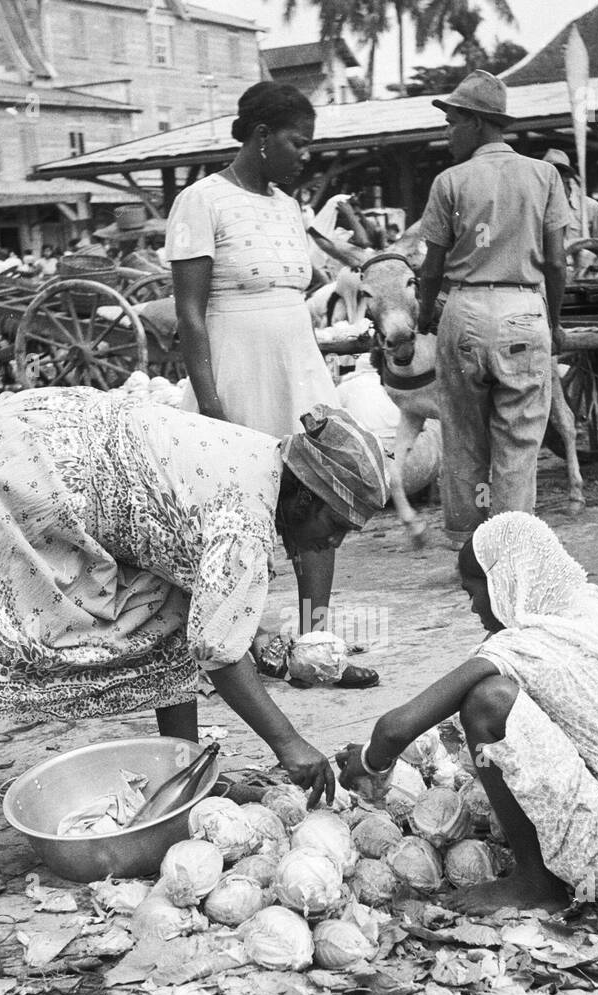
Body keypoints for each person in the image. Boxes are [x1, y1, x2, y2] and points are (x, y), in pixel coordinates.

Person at [0, 392, 389, 896]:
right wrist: (289, 744)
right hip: (22, 468)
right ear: (305, 497)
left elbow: (217, 610)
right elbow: (220, 654)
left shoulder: (270, 461)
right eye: (336, 526)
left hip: (69, 446)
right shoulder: (242, 521)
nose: (336, 542)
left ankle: (187, 778)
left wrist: (289, 637)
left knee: (170, 616)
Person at [337, 512, 598, 915]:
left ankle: (536, 883)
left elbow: (394, 729)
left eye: (473, 592)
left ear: (503, 583)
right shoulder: (585, 607)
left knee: (486, 702)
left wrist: (370, 762)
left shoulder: (526, 644)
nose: (473, 607)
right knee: (500, 697)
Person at [167, 82, 378, 689]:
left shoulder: (290, 208)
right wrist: (211, 405)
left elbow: (312, 288)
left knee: (318, 503)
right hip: (234, 373)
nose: (304, 155)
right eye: (296, 142)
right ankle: (244, 649)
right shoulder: (200, 202)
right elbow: (189, 313)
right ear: (261, 137)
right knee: (238, 514)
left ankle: (315, 648)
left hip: (300, 374)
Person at [414, 71, 569, 547]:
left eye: (453, 122)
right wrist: (556, 321)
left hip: (465, 311)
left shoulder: (449, 182)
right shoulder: (544, 175)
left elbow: (432, 269)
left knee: (463, 437)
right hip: (524, 309)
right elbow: (557, 261)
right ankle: (514, 545)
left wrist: (425, 316)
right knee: (520, 439)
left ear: (478, 123)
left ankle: (469, 543)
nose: (447, 133)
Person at [543, 147, 598, 274]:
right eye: (546, 174)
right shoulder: (538, 207)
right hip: (550, 273)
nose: (551, 179)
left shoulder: (590, 206)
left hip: (583, 274)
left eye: (558, 173)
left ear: (567, 176)